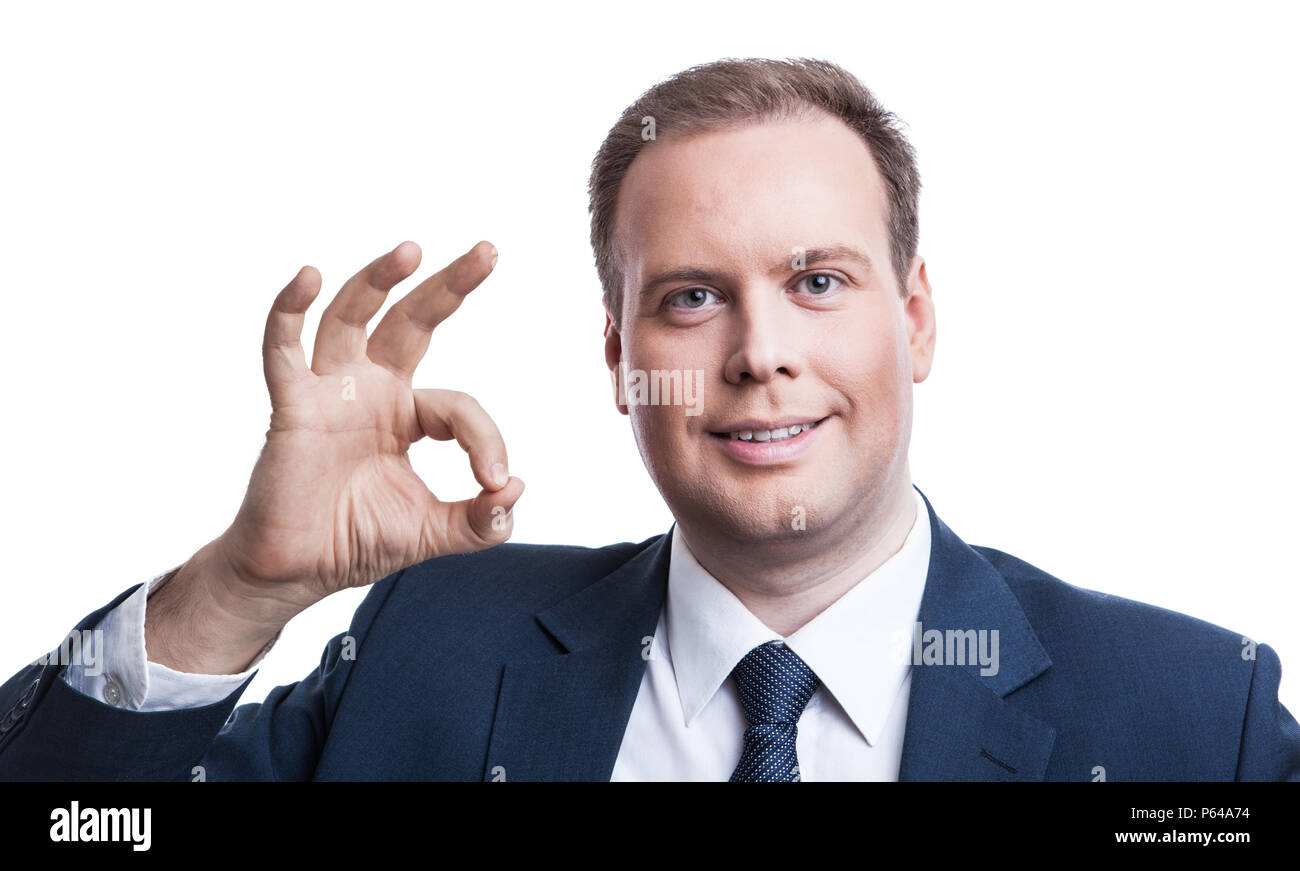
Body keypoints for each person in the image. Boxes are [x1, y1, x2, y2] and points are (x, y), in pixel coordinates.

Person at [1, 57, 1296, 781]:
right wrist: (237, 589)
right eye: (691, 298)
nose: (759, 355)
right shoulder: (434, 655)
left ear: (916, 320)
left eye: (819, 282)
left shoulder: (1190, 722)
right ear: (622, 358)